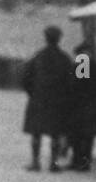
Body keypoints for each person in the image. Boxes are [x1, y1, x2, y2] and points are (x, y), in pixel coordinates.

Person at [21, 25, 75, 172]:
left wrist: (33, 93)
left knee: (36, 133)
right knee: (56, 134)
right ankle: (53, 163)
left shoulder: (38, 56)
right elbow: (71, 82)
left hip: (38, 100)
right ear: (59, 39)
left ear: (46, 38)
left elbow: (25, 78)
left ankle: (35, 162)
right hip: (58, 103)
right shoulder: (65, 59)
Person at [69, 36, 96, 172]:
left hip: (79, 106)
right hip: (92, 106)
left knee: (77, 135)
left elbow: (78, 86)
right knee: (87, 136)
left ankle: (78, 161)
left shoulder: (83, 64)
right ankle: (84, 162)